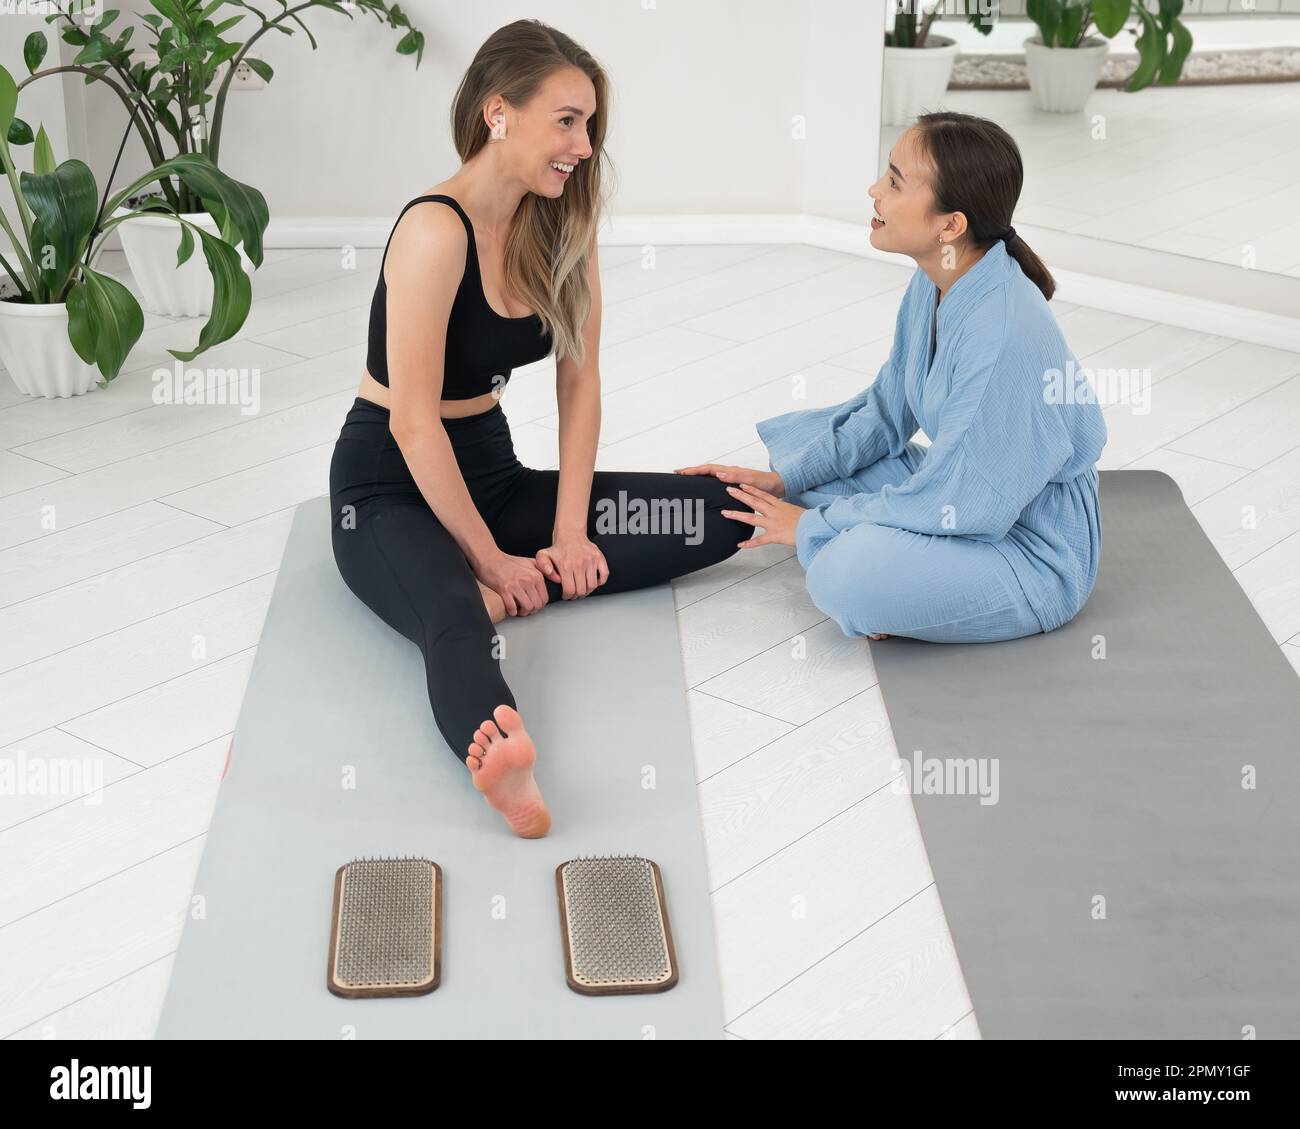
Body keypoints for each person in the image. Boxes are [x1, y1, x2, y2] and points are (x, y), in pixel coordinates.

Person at [329, 20, 750, 839]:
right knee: (455, 616)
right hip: (389, 483)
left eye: (589, 124)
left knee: (704, 513)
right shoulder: (433, 229)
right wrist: (489, 558)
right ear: (498, 113)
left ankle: (509, 586)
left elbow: (580, 380)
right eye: (566, 120)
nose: (584, 145)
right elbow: (414, 424)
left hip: (488, 468)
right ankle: (503, 753)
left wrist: (565, 535)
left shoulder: (562, 224)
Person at [677, 111, 1108, 647]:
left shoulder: (1002, 330)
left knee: (845, 574)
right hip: (964, 497)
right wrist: (788, 483)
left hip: (1027, 553)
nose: (874, 190)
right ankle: (887, 564)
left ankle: (894, 582)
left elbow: (961, 502)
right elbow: (887, 410)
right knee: (803, 447)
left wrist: (811, 526)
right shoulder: (937, 278)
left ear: (951, 224)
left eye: (895, 182)